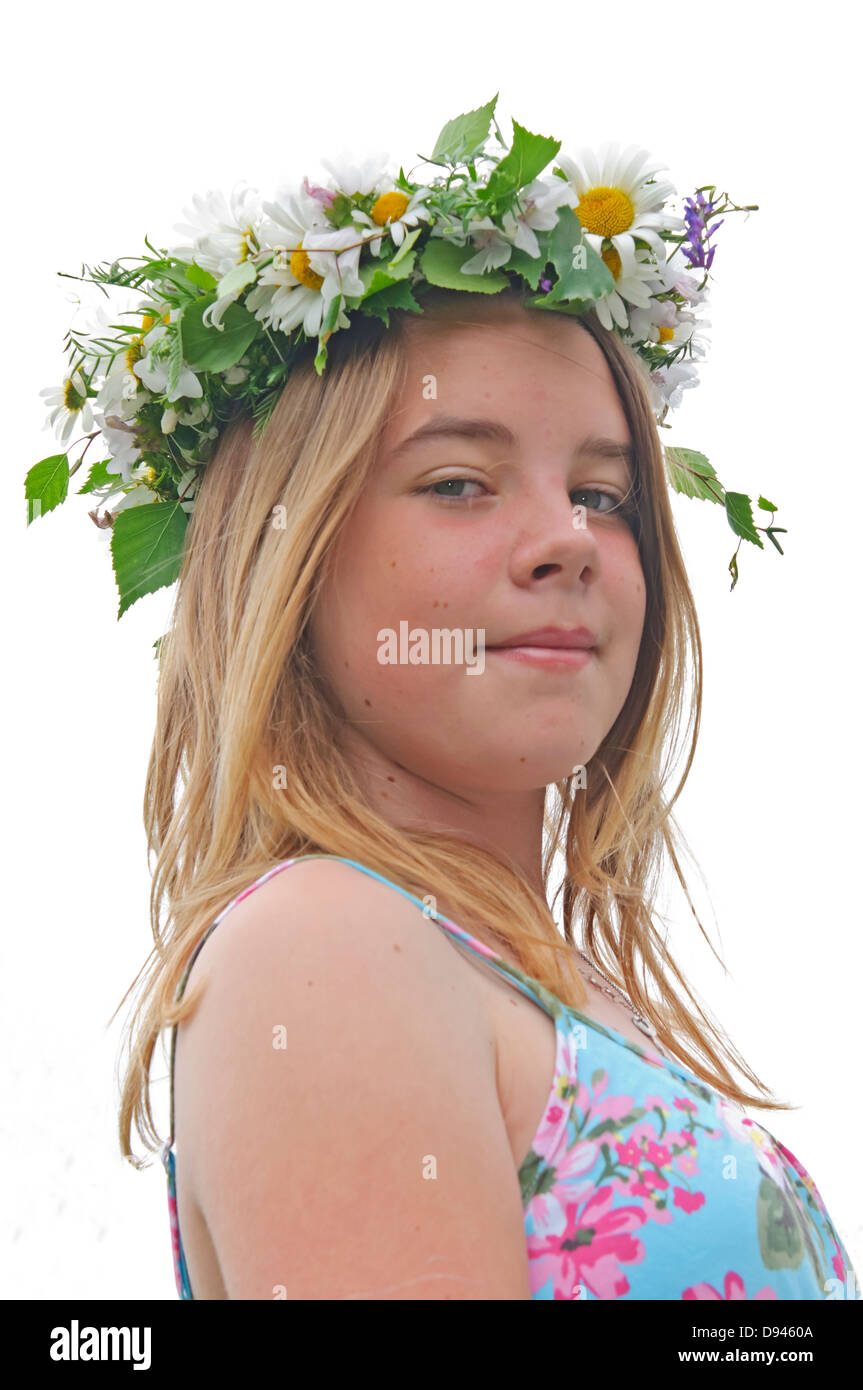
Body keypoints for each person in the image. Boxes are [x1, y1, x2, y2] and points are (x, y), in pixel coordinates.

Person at [114, 285, 855, 1300]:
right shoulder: (325, 947)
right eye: (460, 481)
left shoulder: (528, 982)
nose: (571, 540)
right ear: (285, 545)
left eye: (603, 493)